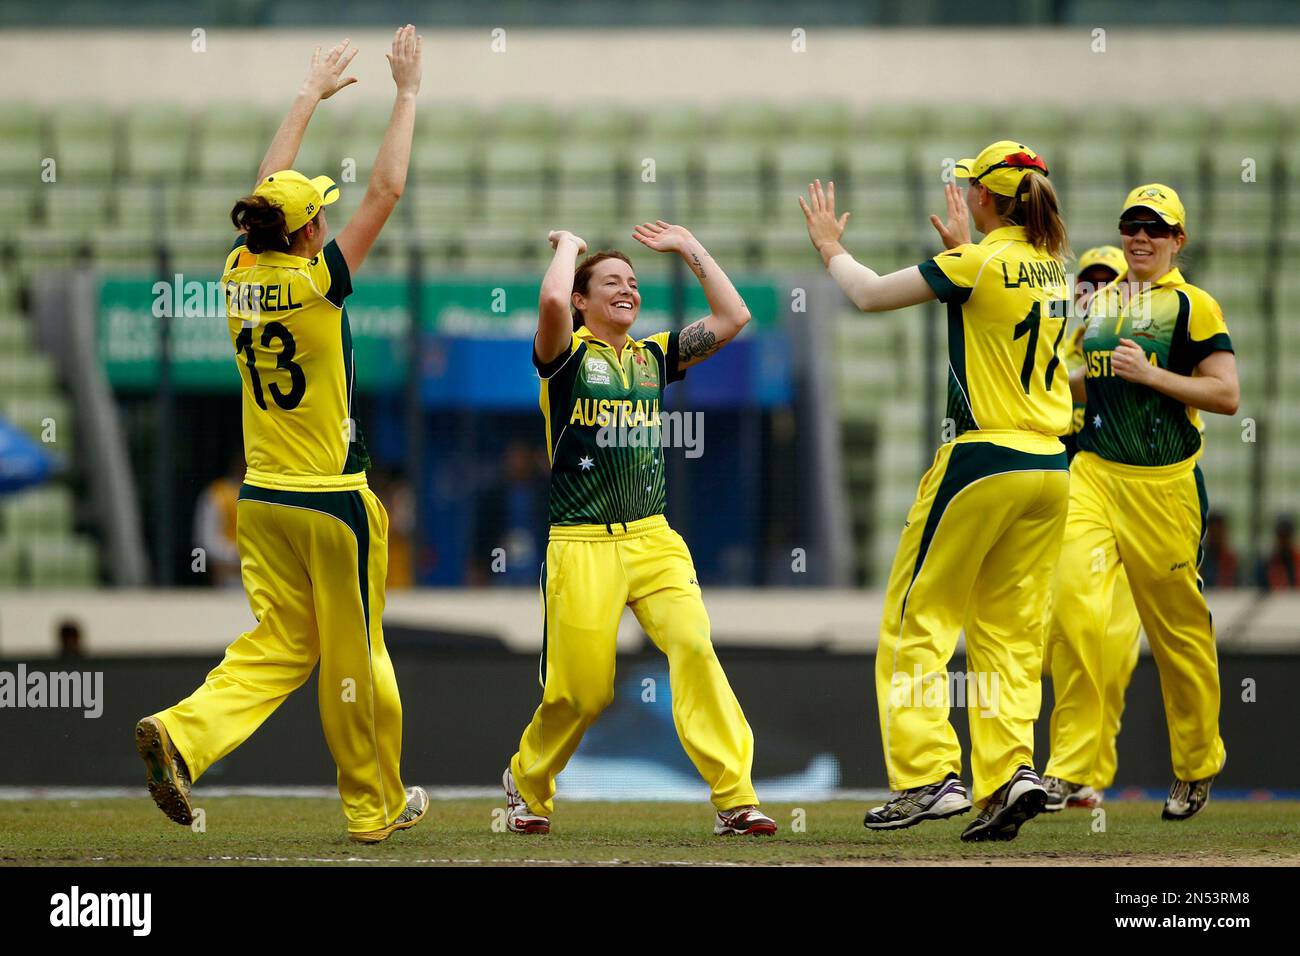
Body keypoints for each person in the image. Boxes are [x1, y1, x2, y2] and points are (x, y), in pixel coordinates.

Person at [134, 27, 430, 844]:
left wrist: (306, 95)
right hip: (332, 502)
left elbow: (266, 189)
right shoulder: (316, 283)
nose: (325, 223)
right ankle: (374, 808)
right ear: (305, 235)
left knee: (281, 645)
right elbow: (387, 191)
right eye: (318, 217)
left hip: (259, 501)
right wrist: (405, 94)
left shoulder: (237, 276)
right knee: (357, 654)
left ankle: (183, 736)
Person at [802, 141, 1073, 842]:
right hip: (1051, 468)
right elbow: (995, 300)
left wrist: (831, 247)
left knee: (916, 622)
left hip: (983, 459)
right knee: (1009, 636)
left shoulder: (977, 262)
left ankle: (928, 775)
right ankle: (1011, 770)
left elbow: (866, 294)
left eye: (971, 187)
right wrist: (968, 247)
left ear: (985, 196)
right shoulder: (1056, 269)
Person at [501, 222, 777, 837]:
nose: (627, 289)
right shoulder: (565, 358)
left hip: (653, 539)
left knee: (694, 647)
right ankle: (528, 781)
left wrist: (688, 248)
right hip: (581, 542)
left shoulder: (654, 356)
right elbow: (548, 303)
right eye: (610, 282)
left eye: (632, 281)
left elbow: (734, 316)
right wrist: (570, 247)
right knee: (584, 693)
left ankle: (736, 798)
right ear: (582, 300)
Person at [1048, 184, 1238, 822]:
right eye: (1132, 226)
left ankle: (1195, 764)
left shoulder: (1196, 306)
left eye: (1156, 229)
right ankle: (1069, 770)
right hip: (1095, 475)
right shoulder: (1101, 303)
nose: (1141, 238)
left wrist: (1153, 375)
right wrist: (1041, 390)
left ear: (1178, 240)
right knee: (1073, 605)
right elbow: (1088, 380)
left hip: (1164, 487)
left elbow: (1227, 394)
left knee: (1179, 635)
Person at [1042, 245, 1142, 811]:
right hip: (1071, 504)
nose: (1099, 292)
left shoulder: (1140, 344)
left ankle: (1088, 773)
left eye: (1113, 282)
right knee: (1073, 633)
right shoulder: (1060, 346)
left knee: (1114, 652)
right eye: (1092, 282)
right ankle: (1068, 770)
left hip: (1132, 505)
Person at [193, 450, 243, 588]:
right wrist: (237, 555)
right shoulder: (216, 494)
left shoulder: (265, 494)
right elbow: (206, 541)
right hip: (228, 578)